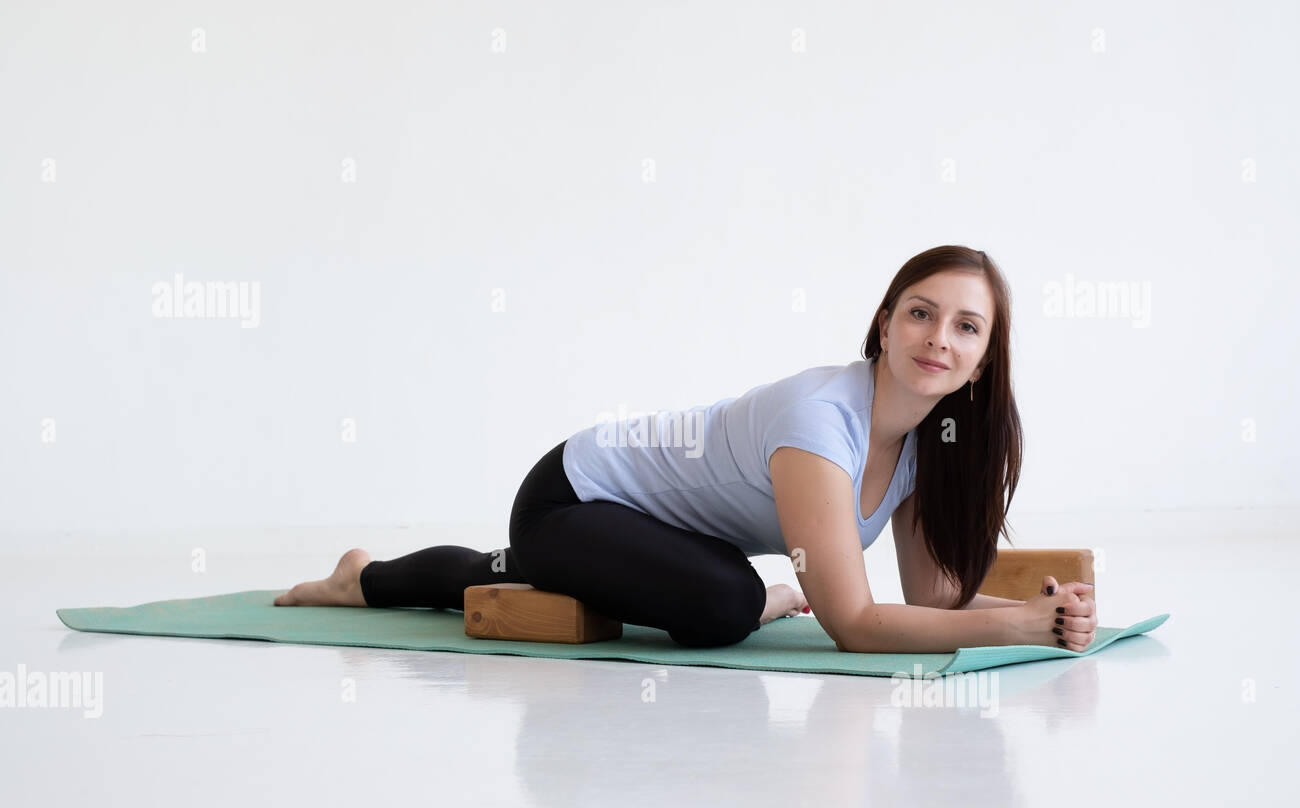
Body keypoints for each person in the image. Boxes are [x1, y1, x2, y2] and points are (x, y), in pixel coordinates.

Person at [275, 245, 1097, 653]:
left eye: (966, 326)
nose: (937, 338)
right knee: (726, 604)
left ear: (984, 360)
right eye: (919, 313)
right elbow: (853, 623)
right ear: (884, 324)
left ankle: (369, 575)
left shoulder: (932, 444)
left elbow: (935, 600)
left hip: (652, 529)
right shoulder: (821, 420)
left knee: (700, 589)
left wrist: (1046, 612)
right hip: (574, 495)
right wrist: (1017, 628)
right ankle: (370, 580)